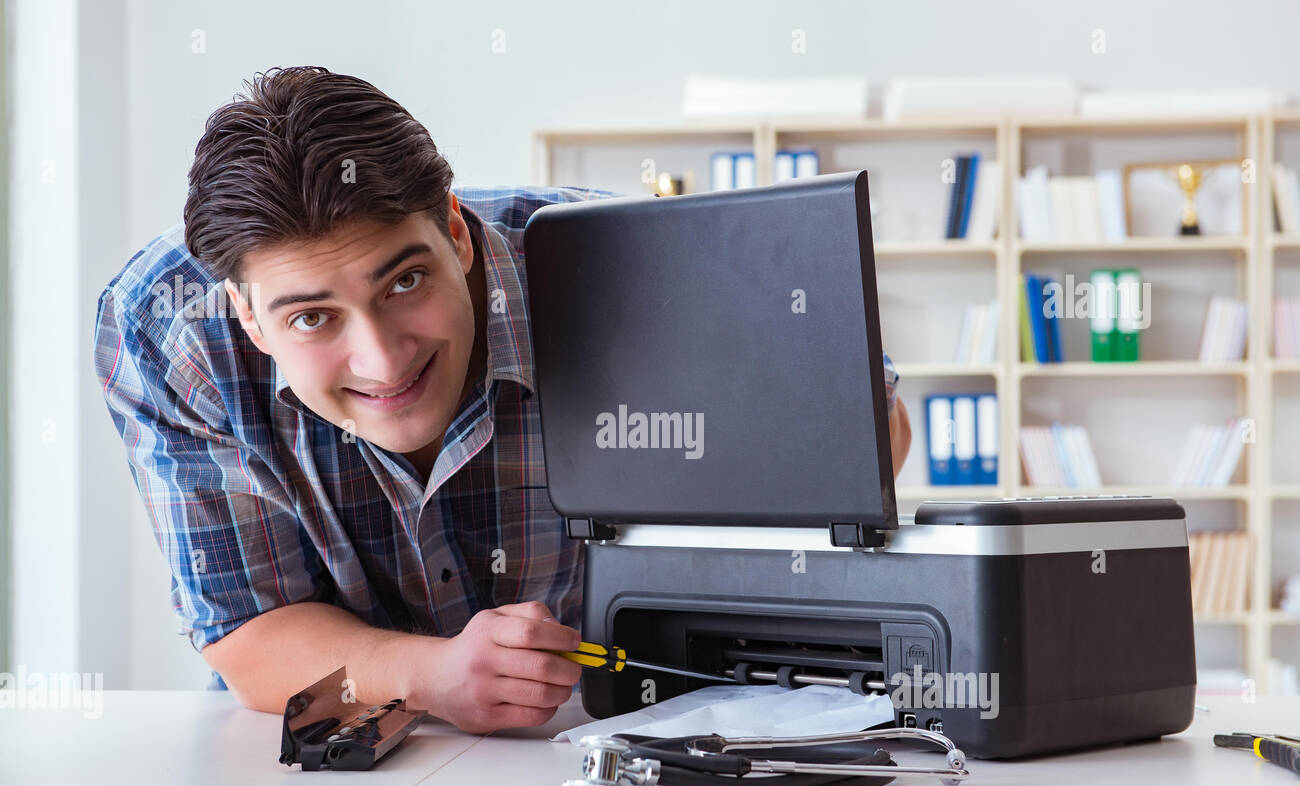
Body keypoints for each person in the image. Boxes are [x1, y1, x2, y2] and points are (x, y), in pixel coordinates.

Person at [93, 66, 911, 734]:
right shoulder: (170, 333)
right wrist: (433, 675)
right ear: (248, 316)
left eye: (404, 280)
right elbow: (247, 636)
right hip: (334, 751)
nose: (382, 358)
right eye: (313, 317)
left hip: (608, 736)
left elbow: (876, 430)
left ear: (456, 231)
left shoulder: (634, 265)